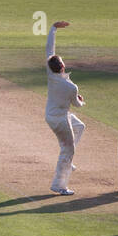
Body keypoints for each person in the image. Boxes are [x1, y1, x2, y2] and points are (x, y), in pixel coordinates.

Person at [43, 20, 83, 196]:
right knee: (68, 150)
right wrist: (81, 100)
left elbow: (49, 50)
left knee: (80, 126)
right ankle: (59, 185)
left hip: (51, 115)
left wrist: (53, 28)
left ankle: (69, 162)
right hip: (60, 119)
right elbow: (77, 104)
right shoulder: (71, 87)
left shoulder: (50, 72)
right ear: (63, 66)